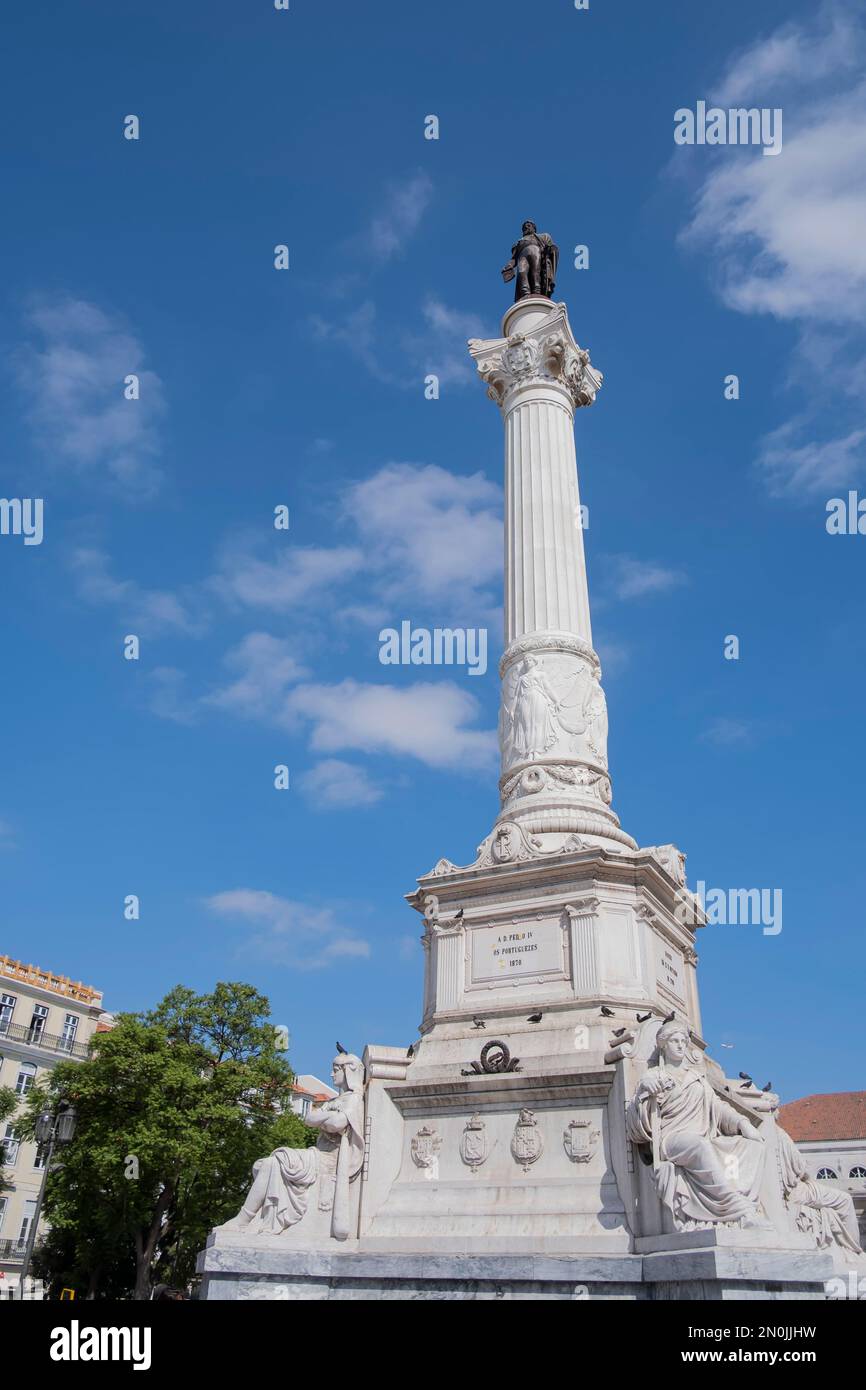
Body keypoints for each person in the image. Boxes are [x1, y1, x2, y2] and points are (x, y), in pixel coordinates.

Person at [627, 1021, 770, 1230]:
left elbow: (718, 1107)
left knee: (752, 1145)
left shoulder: (697, 1079)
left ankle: (742, 1202)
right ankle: (738, 1209)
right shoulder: (653, 1076)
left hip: (701, 1137)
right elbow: (635, 1123)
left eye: (683, 1041)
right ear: (664, 1045)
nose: (680, 1045)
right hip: (671, 1140)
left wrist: (743, 1123)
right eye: (674, 1041)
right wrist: (645, 1095)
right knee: (699, 1145)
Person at [219, 1051, 365, 1241]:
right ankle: (247, 1219)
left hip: (330, 1160)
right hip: (317, 1154)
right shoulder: (333, 1101)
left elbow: (335, 1124)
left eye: (336, 1069)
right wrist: (329, 1115)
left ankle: (244, 1219)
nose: (331, 1074)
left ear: (347, 1072)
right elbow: (308, 1118)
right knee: (267, 1164)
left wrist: (325, 1117)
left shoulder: (353, 1100)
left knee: (276, 1161)